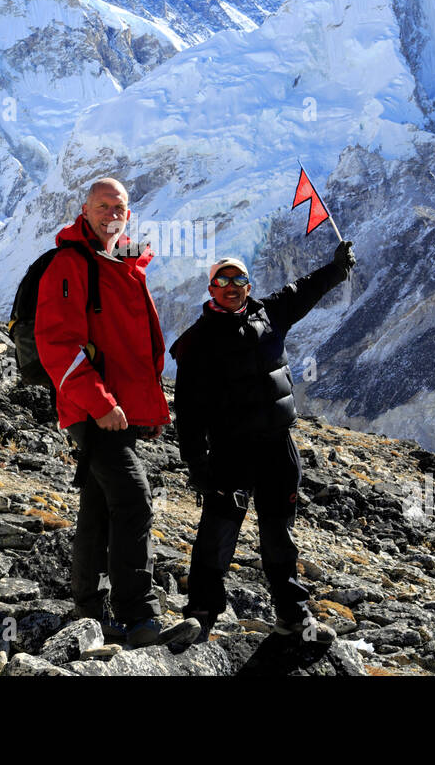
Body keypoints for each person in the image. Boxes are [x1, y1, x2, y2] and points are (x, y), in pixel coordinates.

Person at [170, 241, 357, 642]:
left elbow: (303, 289)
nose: (231, 286)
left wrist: (337, 269)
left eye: (239, 279)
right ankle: (201, 613)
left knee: (279, 533)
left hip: (277, 445)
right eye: (222, 280)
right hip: (229, 450)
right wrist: (196, 464)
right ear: (211, 289)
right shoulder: (197, 341)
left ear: (248, 286)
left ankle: (293, 616)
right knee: (217, 533)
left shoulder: (270, 313)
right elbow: (187, 410)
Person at [33, 177, 175, 647]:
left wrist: (145, 411)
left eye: (119, 206)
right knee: (134, 499)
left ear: (128, 213)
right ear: (85, 210)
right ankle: (140, 617)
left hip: (118, 412)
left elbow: (133, 349)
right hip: (93, 411)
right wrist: (102, 403)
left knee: (98, 508)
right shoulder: (71, 265)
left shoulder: (122, 265)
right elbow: (58, 343)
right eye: (102, 206)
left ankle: (89, 615)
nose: (112, 213)